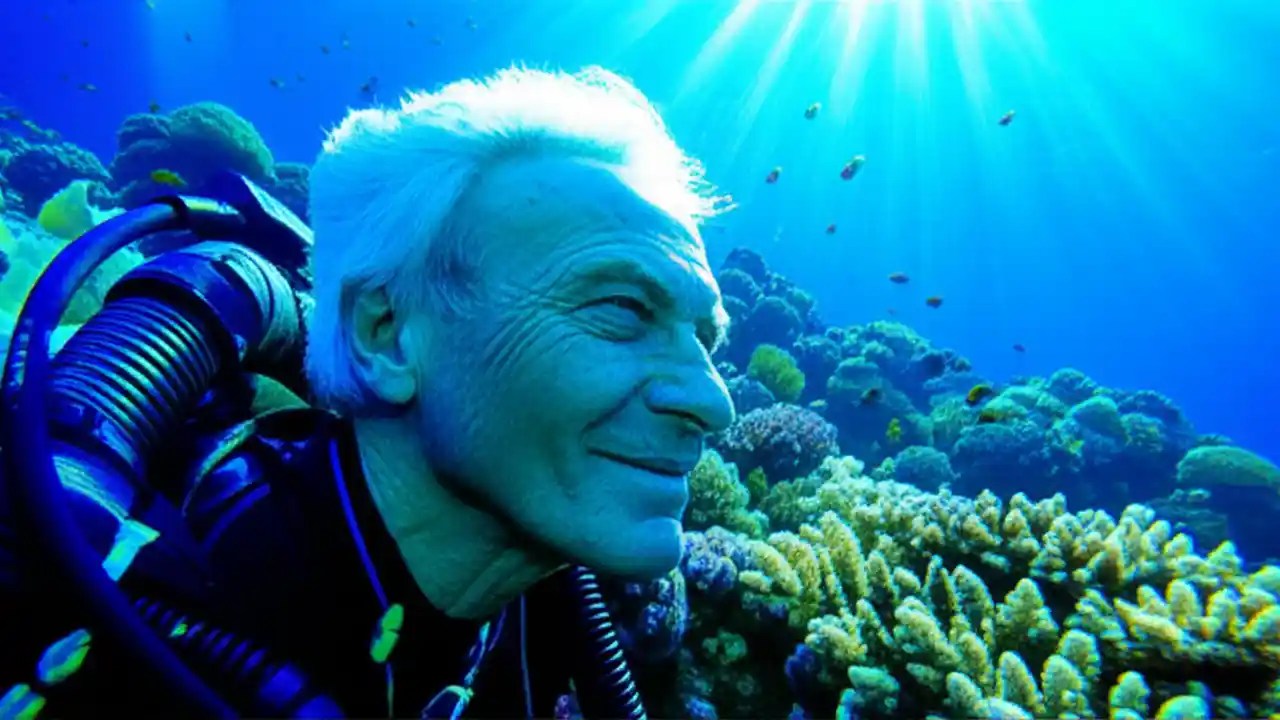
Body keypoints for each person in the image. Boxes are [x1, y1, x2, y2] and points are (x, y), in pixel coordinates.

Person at [0, 65, 735, 718]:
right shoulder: (137, 603)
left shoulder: (548, 620)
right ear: (385, 335)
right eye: (620, 309)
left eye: (705, 339)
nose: (714, 403)